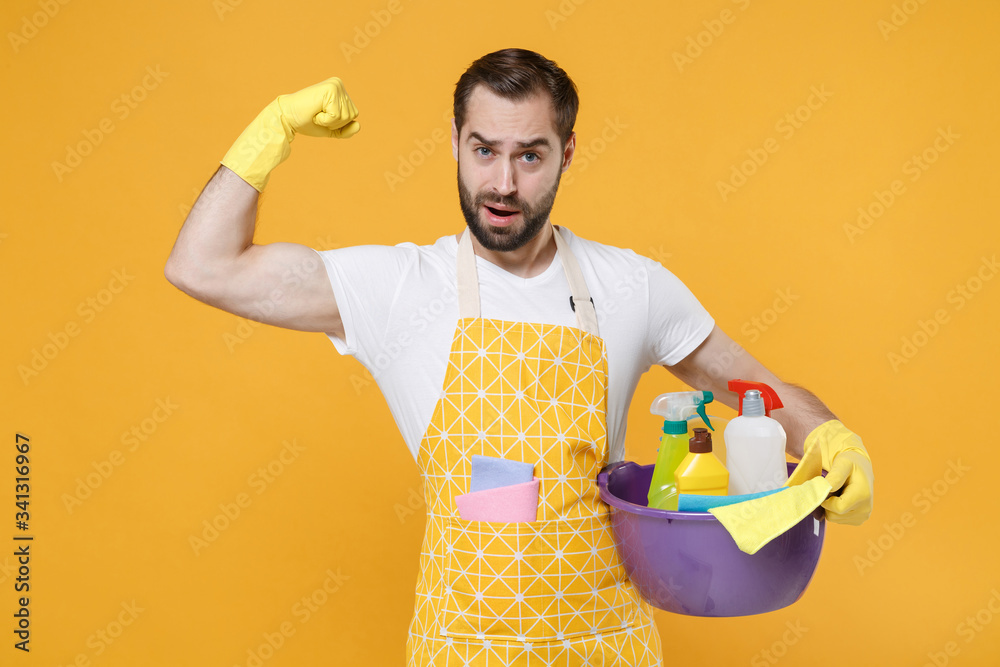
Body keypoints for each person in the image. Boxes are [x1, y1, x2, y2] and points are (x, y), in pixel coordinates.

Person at [165, 48, 873, 667]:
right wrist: (272, 131)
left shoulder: (632, 285)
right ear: (453, 141)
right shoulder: (399, 288)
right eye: (484, 150)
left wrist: (831, 436)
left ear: (567, 151)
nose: (503, 183)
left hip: (608, 646)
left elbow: (763, 394)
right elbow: (203, 266)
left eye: (529, 154)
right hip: (462, 649)